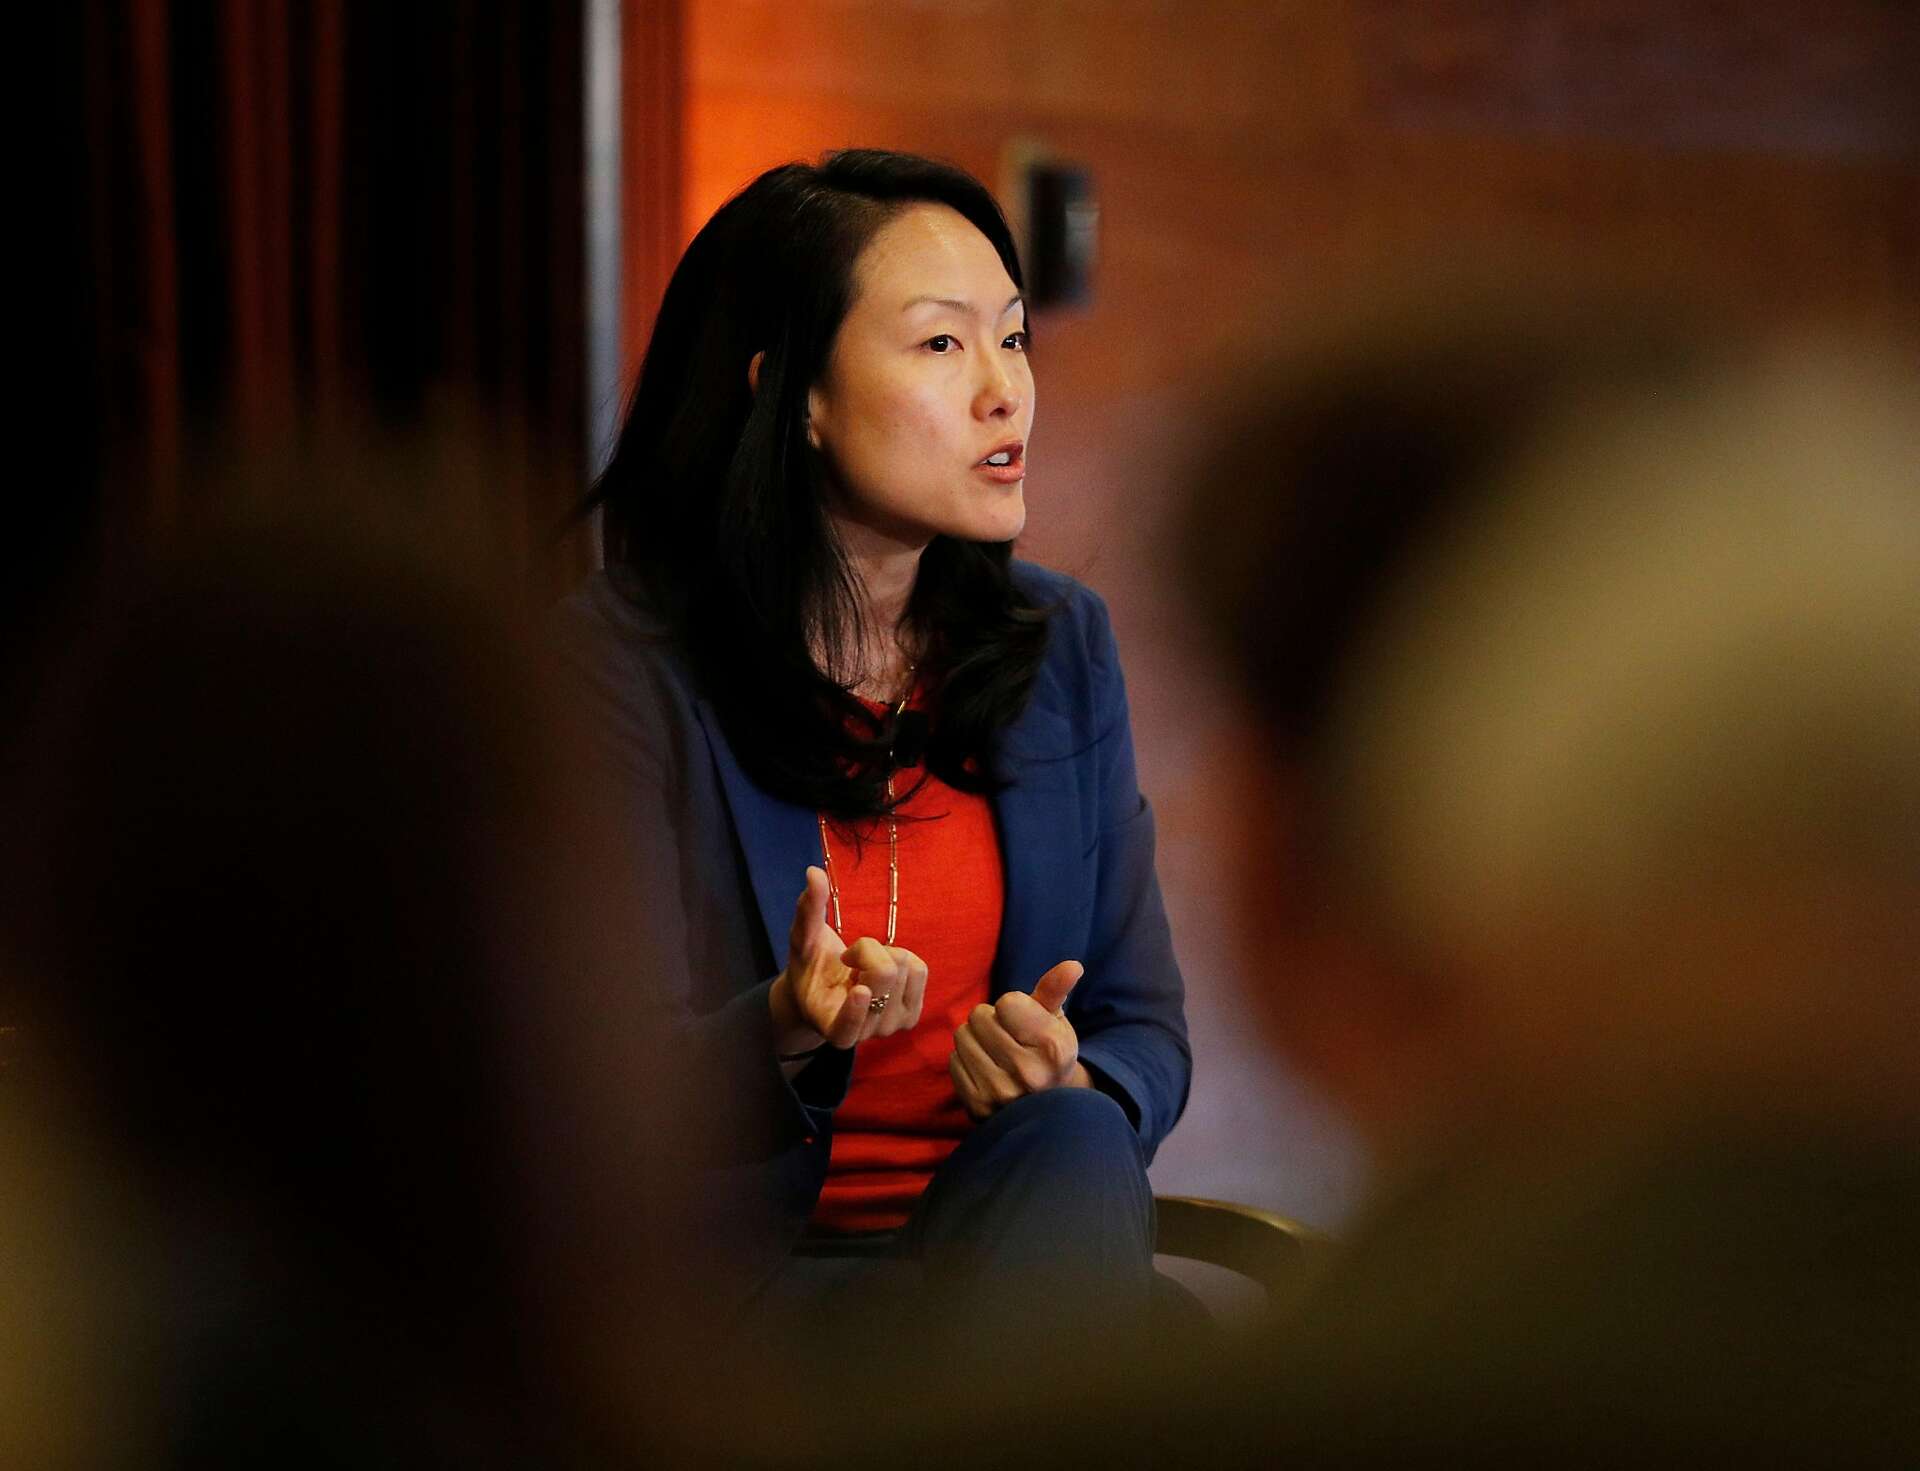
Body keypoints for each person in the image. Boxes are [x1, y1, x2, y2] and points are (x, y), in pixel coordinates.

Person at [555, 148, 1190, 1432]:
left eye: (1013, 337)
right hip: (730, 1303)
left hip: (1002, 1263)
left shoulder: (1060, 648)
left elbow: (1145, 1029)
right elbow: (588, 1088)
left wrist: (1073, 1075)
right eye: (943, 345)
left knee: (1077, 1145)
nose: (1006, 391)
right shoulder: (622, 664)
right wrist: (785, 1027)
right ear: (794, 396)